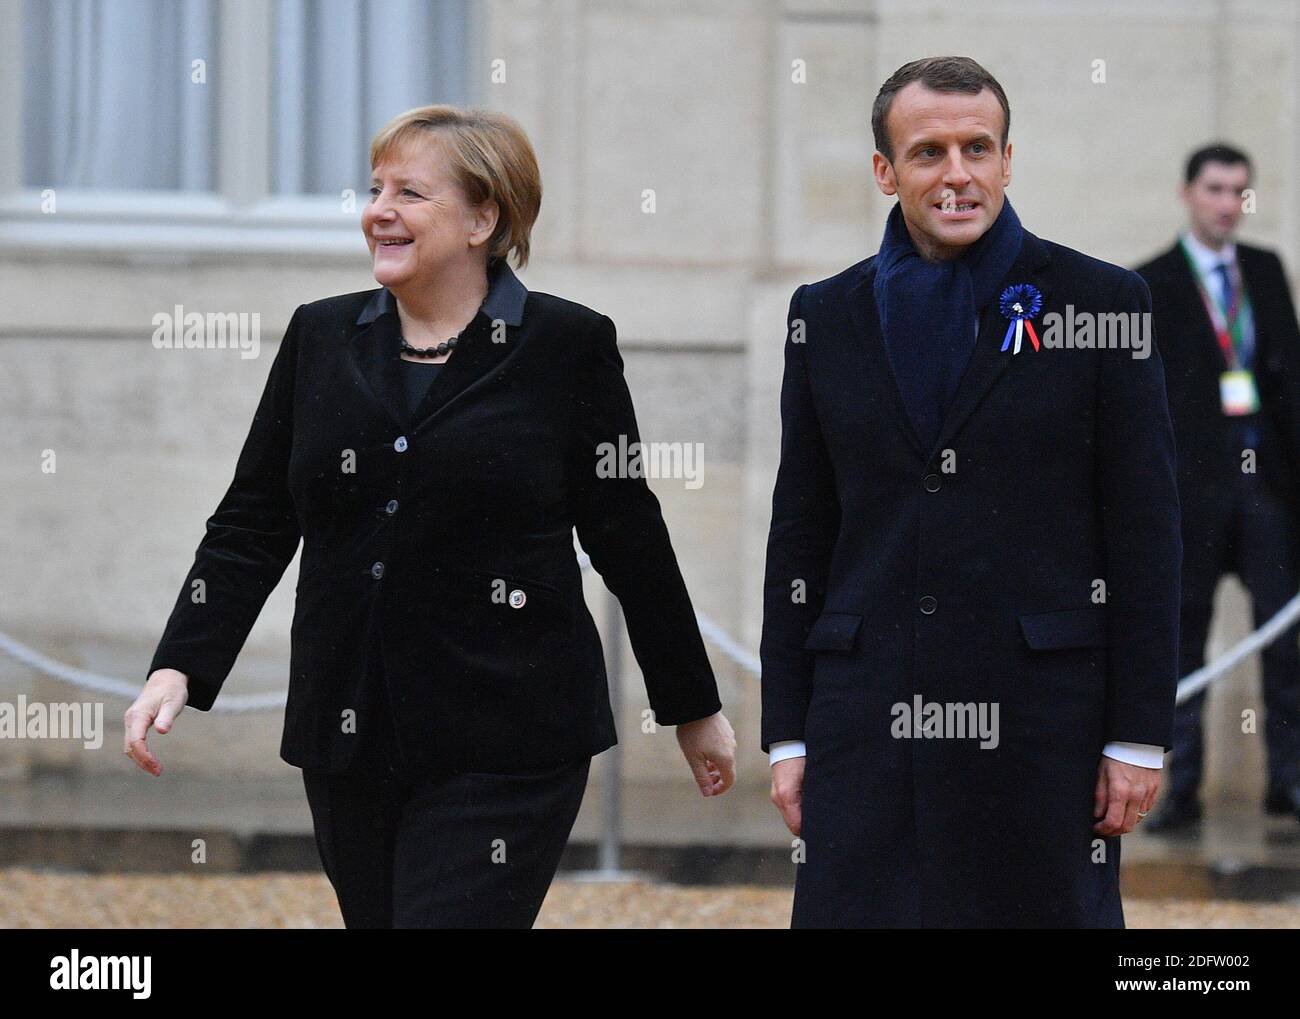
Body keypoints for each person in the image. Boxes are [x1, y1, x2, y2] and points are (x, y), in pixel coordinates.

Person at [126, 105, 736, 928]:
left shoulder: (566, 345)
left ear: (484, 217)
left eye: (410, 192)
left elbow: (628, 531)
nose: (379, 209)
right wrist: (181, 665)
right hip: (349, 729)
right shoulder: (321, 335)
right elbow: (253, 519)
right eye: (375, 188)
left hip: (509, 736)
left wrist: (691, 706)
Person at [760, 56, 1181, 927]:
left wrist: (1137, 735)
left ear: (1007, 159)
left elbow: (1146, 533)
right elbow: (801, 530)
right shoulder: (823, 314)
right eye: (928, 152)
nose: (957, 174)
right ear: (885, 170)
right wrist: (790, 731)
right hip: (865, 723)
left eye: (977, 147)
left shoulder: (1104, 301)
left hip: (1040, 727)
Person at [1136, 144, 1300, 831]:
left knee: (1285, 641)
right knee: (1184, 640)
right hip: (1192, 492)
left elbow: (1286, 380)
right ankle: (1182, 790)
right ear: (1188, 193)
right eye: (1215, 189)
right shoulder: (1152, 281)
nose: (1228, 203)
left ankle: (1286, 783)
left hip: (1266, 486)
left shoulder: (1264, 270)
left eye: (1239, 190)